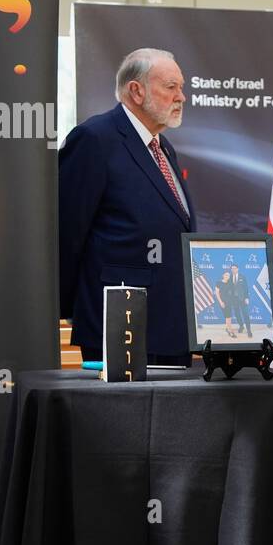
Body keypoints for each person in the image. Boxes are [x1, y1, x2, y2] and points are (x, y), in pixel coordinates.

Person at [58, 47, 197, 366]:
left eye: (182, 87)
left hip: (170, 326)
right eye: (171, 86)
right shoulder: (94, 139)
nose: (182, 96)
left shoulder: (164, 148)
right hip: (120, 325)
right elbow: (67, 232)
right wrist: (69, 308)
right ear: (136, 91)